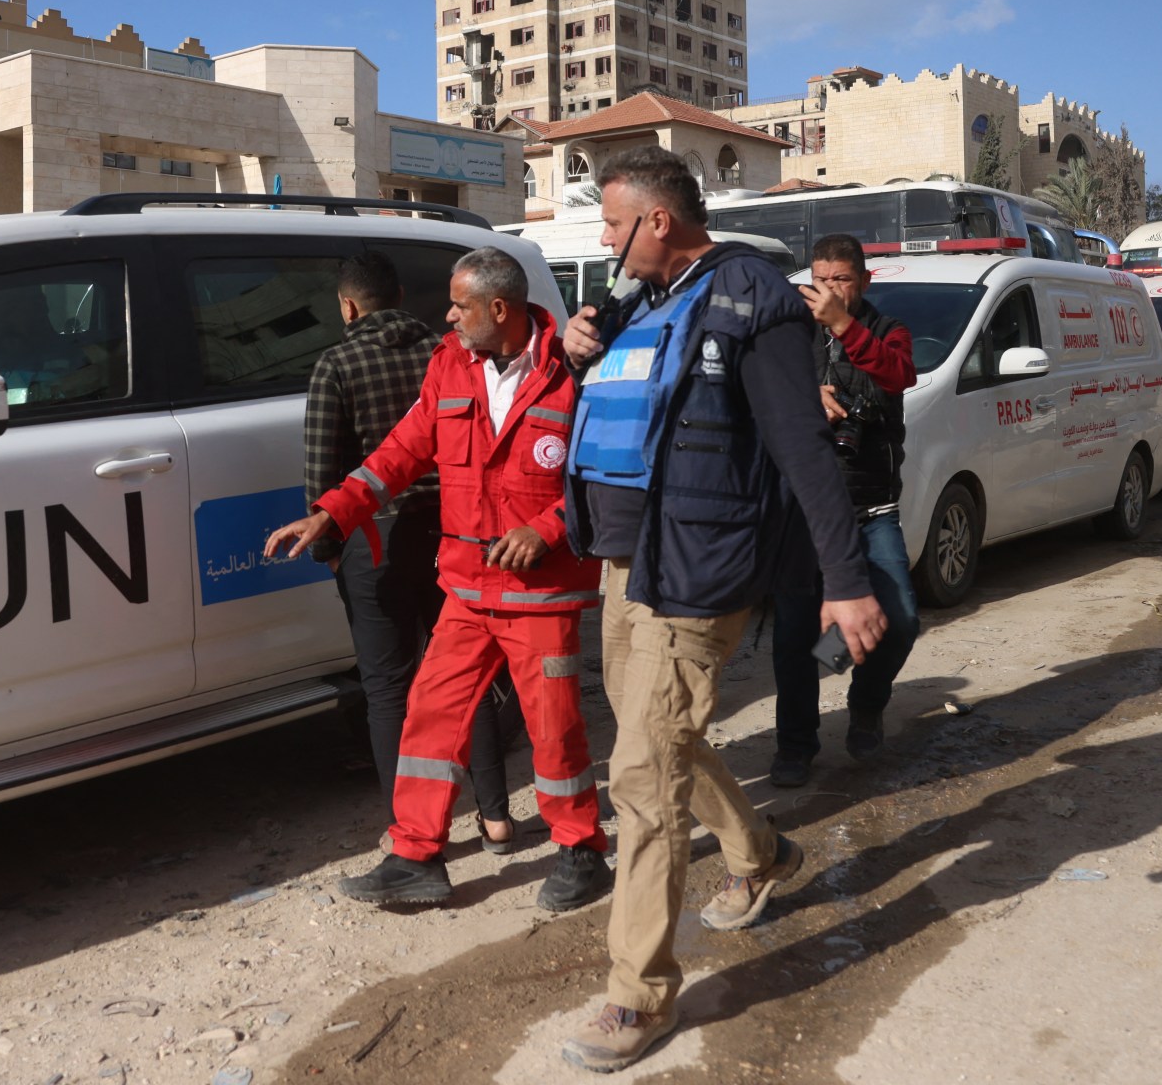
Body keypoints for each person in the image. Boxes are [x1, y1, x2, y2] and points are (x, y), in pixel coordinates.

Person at [556, 146, 887, 1074]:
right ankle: (759, 853)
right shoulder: (647, 301)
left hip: (699, 569)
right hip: (630, 563)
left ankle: (638, 996)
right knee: (658, 738)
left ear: (661, 221)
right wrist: (578, 343)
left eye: (617, 226)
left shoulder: (752, 302)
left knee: (644, 776)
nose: (610, 245)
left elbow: (802, 450)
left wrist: (846, 577)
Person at [266, 247, 611, 912]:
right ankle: (415, 855)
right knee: (428, 717)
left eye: (459, 305)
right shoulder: (450, 365)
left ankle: (580, 850)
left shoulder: (574, 373)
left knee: (554, 726)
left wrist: (546, 528)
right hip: (469, 587)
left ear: (498, 309)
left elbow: (601, 479)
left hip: (540, 593)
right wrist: (332, 511)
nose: (447, 316)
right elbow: (399, 452)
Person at [302, 251, 517, 849]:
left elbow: (324, 477)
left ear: (348, 306)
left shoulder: (336, 364)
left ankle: (415, 828)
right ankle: (496, 814)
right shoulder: (447, 353)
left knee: (389, 689)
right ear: (399, 294)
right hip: (452, 534)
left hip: (377, 540)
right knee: (464, 678)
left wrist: (333, 556)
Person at [769, 232, 922, 786]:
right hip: (804, 509)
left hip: (871, 506)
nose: (830, 291)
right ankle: (795, 746)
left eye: (842, 281)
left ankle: (865, 700)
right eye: (822, 280)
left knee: (899, 619)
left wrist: (843, 325)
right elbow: (765, 392)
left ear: (864, 281)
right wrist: (810, 395)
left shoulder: (888, 331)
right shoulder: (792, 336)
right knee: (792, 636)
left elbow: (898, 375)